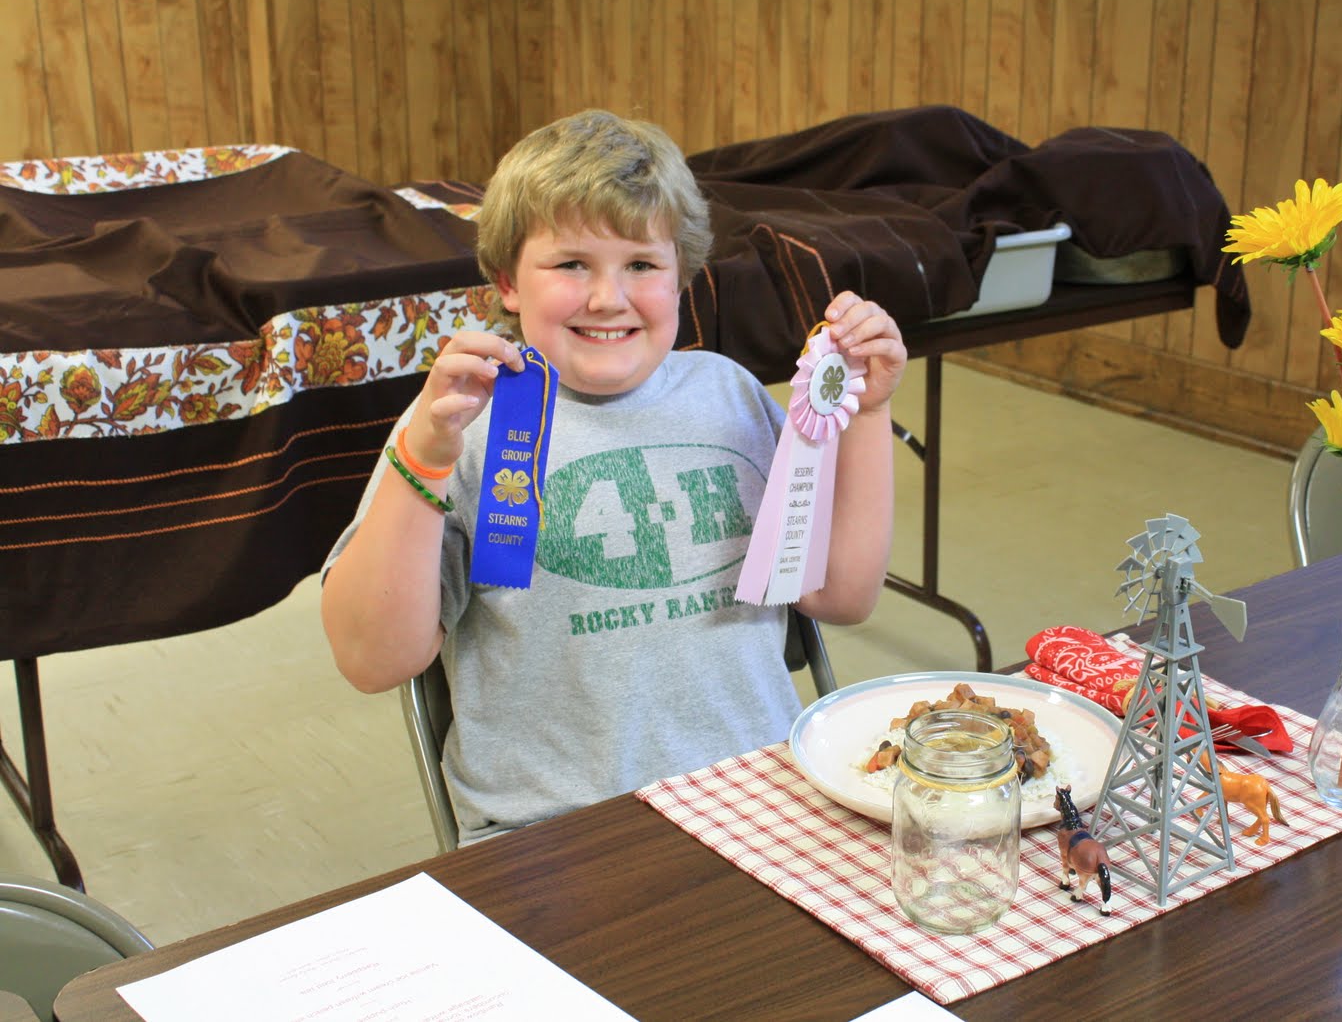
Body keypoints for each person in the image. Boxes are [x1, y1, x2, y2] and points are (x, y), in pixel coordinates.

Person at [321, 109, 906, 843]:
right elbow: (373, 659)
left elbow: (841, 594)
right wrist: (425, 454)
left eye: (641, 264)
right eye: (571, 264)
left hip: (762, 801)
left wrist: (868, 411)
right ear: (507, 279)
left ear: (681, 275)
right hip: (554, 833)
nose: (607, 297)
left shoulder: (731, 395)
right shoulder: (461, 422)